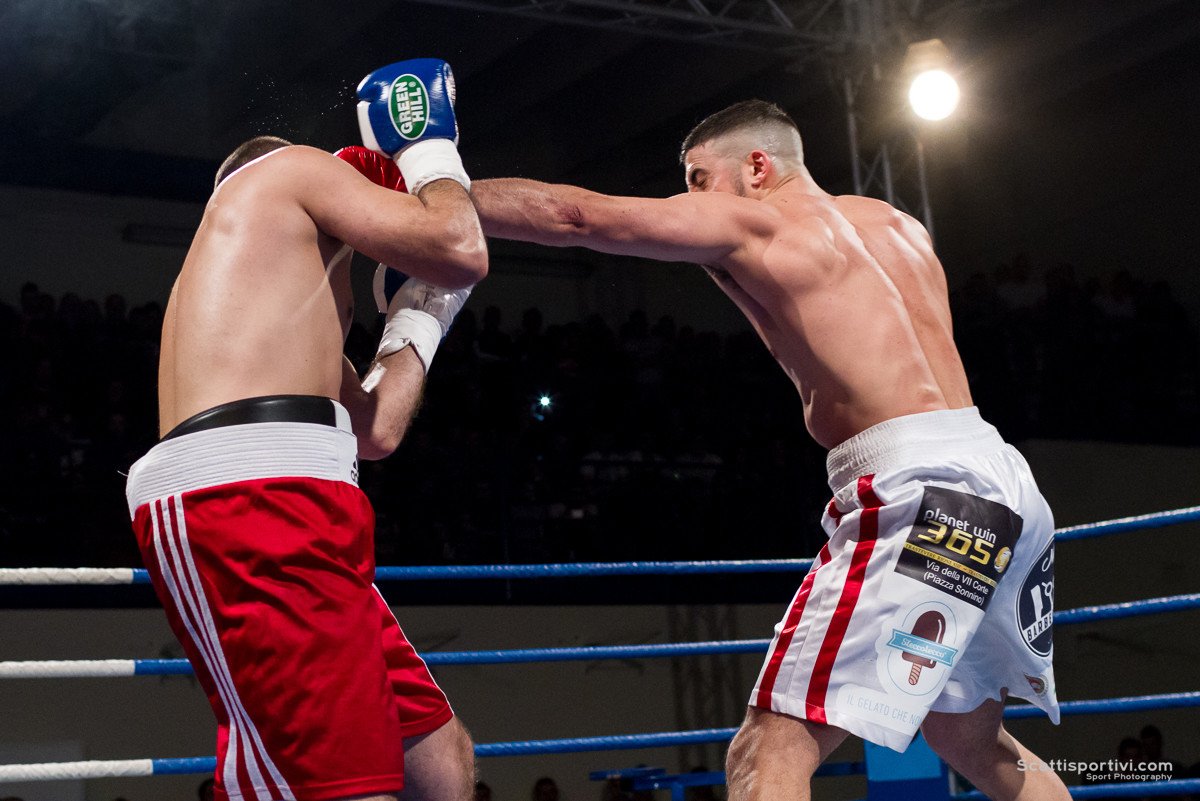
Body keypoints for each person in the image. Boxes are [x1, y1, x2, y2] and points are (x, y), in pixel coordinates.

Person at [470, 100, 1066, 800]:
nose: (691, 200)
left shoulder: (759, 219)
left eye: (698, 179)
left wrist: (433, 188)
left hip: (916, 487)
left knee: (767, 749)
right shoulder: (898, 224)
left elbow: (577, 217)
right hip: (1002, 480)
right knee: (967, 736)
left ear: (758, 166)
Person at [125, 58, 486, 801]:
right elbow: (460, 243)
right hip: (252, 497)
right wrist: (426, 150)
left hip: (304, 492)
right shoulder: (284, 171)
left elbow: (377, 428)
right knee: (349, 790)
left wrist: (422, 314)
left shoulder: (288, 306)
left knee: (437, 757)